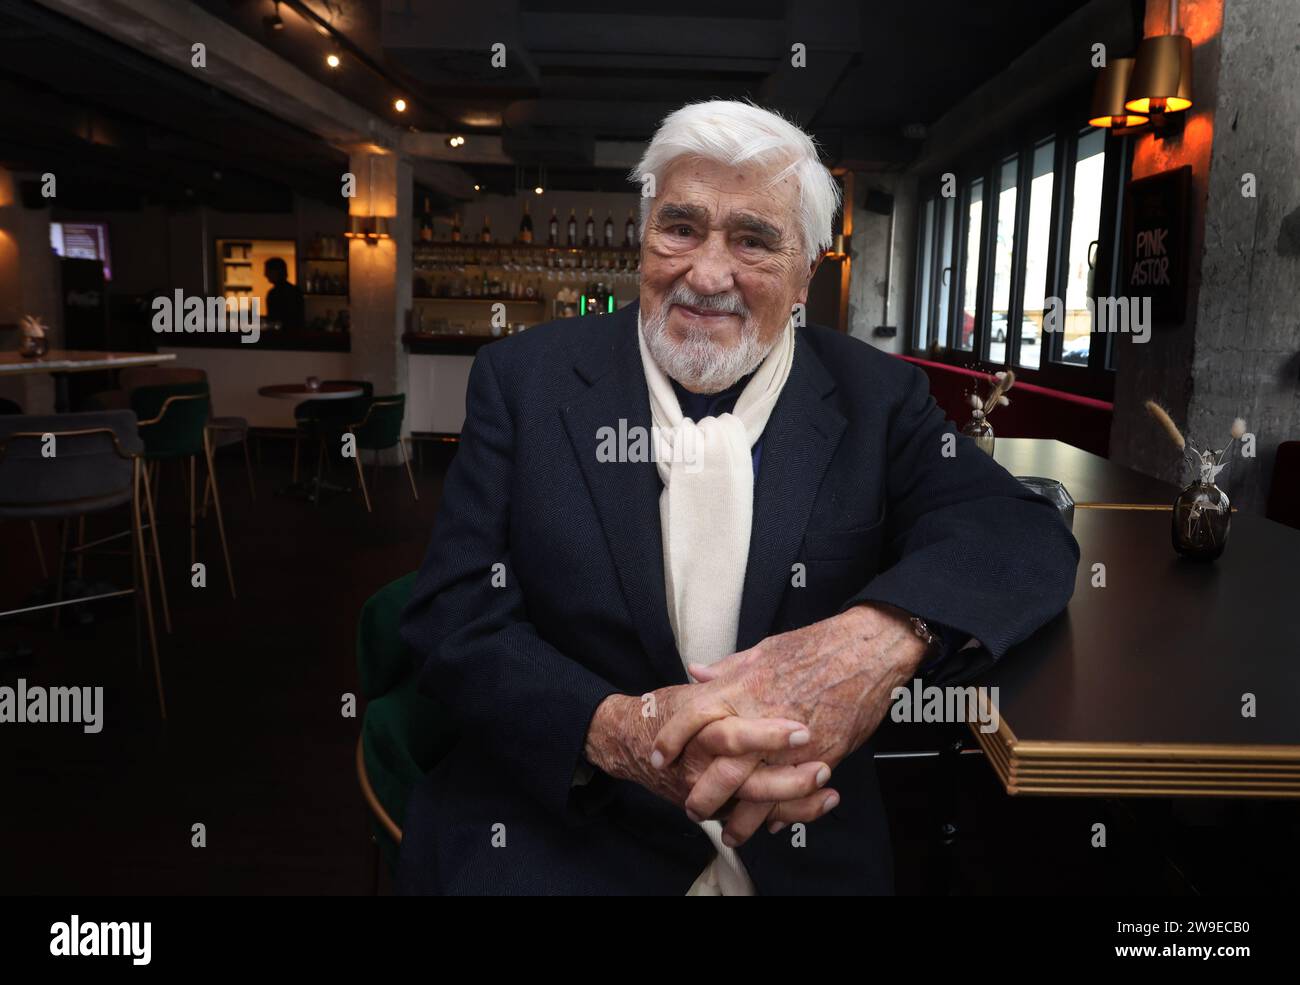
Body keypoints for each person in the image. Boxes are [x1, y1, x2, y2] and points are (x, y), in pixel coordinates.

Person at [397, 100, 1079, 895]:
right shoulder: (523, 381)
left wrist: (878, 641)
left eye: (753, 240)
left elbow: (1019, 531)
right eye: (681, 228)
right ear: (644, 235)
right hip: (564, 827)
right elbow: (452, 614)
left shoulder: (878, 398)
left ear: (806, 273)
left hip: (797, 833)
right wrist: (619, 732)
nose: (707, 274)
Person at [263, 257, 304, 331]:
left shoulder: (273, 293)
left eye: (268, 271)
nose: (265, 274)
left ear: (277, 272)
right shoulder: (295, 291)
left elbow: (274, 319)